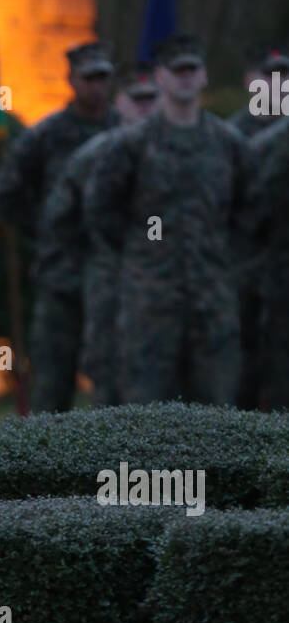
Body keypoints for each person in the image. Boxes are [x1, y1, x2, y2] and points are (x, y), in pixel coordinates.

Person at [84, 33, 250, 406]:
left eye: (192, 69)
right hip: (149, 304)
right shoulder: (130, 145)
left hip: (212, 302)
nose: (186, 78)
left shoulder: (228, 143)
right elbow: (101, 210)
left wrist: (220, 257)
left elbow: (249, 211)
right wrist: (142, 253)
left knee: (216, 412)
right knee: (145, 412)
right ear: (160, 76)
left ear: (204, 75)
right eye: (177, 71)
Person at [0, 40, 119, 411]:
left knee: (113, 384)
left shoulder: (125, 131)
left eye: (102, 78)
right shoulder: (46, 135)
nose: (97, 87)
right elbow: (4, 196)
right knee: (53, 382)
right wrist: (46, 230)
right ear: (71, 80)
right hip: (62, 277)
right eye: (89, 78)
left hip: (113, 276)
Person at [38, 64, 161, 409]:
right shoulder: (96, 154)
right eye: (137, 100)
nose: (145, 108)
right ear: (118, 103)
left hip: (166, 283)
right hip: (110, 279)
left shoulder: (182, 150)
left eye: (151, 100)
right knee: (109, 373)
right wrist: (82, 262)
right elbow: (59, 217)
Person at [228, 45, 289, 406]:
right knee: (242, 370)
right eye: (270, 76)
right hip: (242, 269)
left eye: (285, 77)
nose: (278, 85)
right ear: (250, 81)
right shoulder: (230, 135)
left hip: (283, 268)